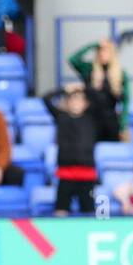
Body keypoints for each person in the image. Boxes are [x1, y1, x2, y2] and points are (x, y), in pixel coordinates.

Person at [43, 84, 102, 215]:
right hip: (66, 174)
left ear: (86, 103)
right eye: (73, 99)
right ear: (67, 103)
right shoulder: (61, 117)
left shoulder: (91, 119)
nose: (76, 102)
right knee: (61, 211)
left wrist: (84, 88)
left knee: (89, 211)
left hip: (86, 175)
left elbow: (100, 100)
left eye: (80, 99)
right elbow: (46, 99)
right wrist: (64, 89)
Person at [67, 37, 128, 139]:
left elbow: (126, 102)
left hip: (110, 122)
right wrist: (95, 44)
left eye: (107, 52)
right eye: (101, 51)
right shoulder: (89, 70)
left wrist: (123, 125)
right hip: (90, 119)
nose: (103, 55)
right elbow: (73, 59)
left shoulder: (121, 74)